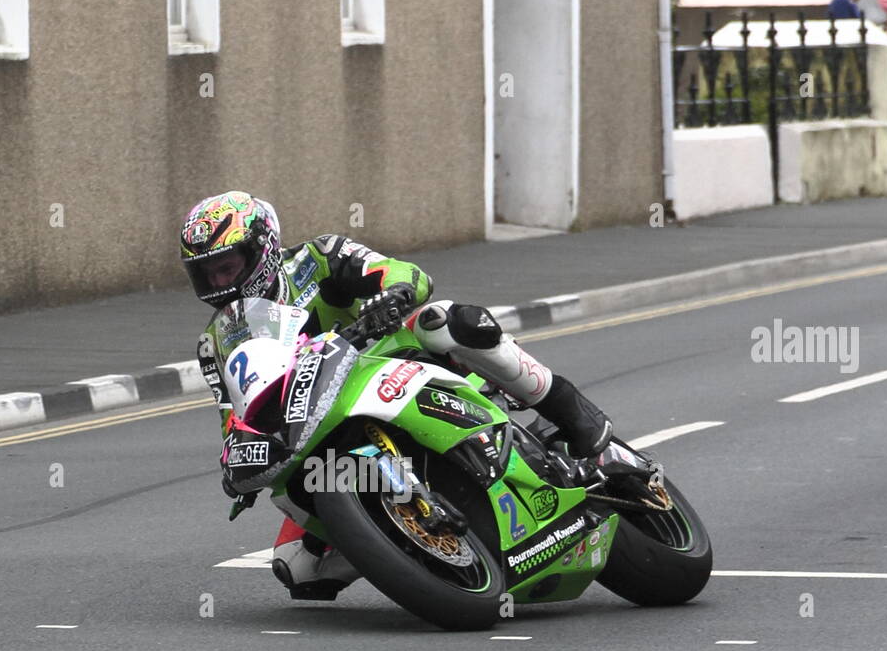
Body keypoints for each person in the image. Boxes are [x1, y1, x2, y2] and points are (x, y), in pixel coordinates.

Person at [182, 190, 613, 600]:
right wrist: (238, 459)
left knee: (445, 320)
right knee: (297, 568)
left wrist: (395, 293)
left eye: (228, 265)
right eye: (209, 273)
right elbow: (232, 413)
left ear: (263, 248)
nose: (221, 280)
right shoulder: (214, 343)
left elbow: (401, 272)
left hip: (383, 357)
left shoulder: (318, 259)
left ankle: (572, 411)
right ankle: (415, 547)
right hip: (315, 423)